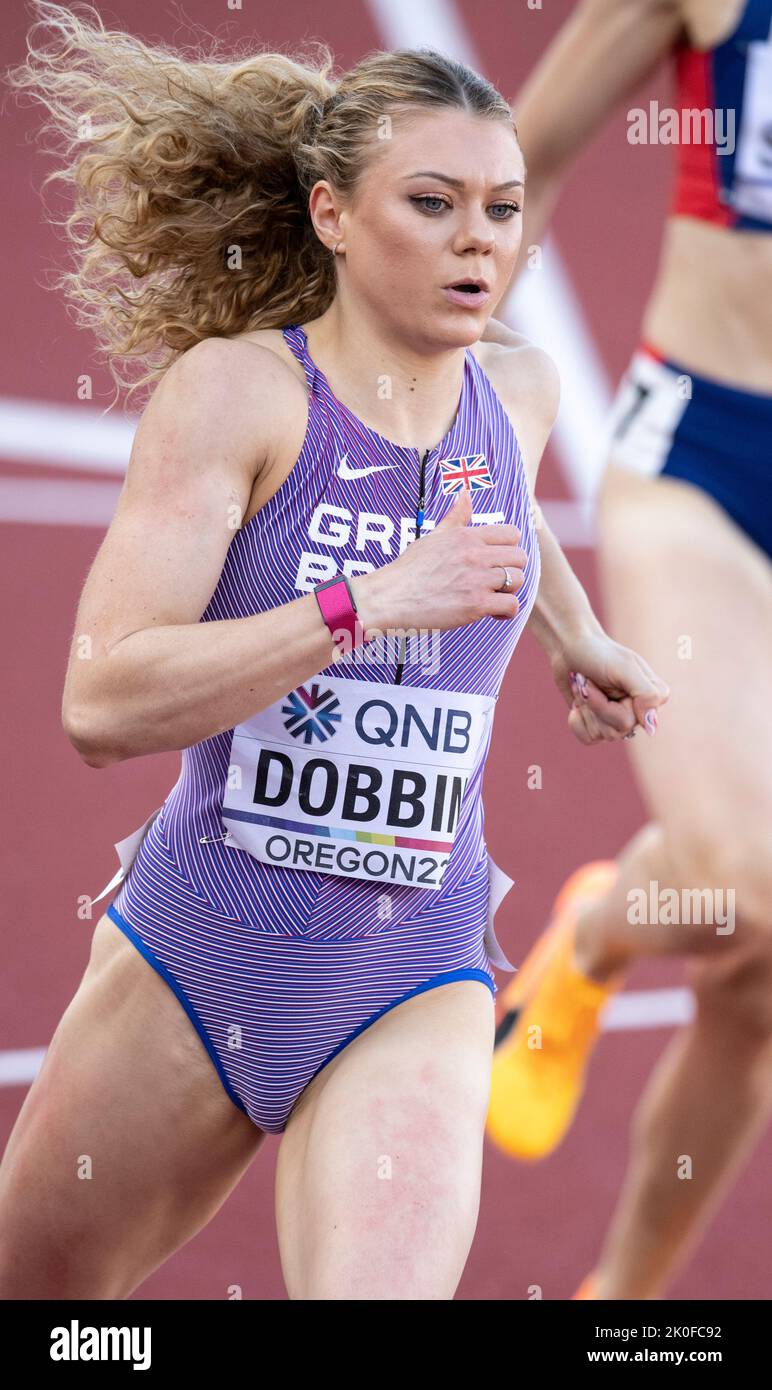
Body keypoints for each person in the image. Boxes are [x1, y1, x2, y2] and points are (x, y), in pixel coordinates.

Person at [0, 3, 666, 1299]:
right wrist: (368, 601)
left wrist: (572, 630)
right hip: (203, 947)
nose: (478, 241)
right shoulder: (238, 396)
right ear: (332, 215)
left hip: (412, 963)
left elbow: (499, 501)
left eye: (502, 208)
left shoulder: (513, 392)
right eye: (433, 203)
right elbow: (100, 696)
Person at [484, 0, 772, 1301]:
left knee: (758, 975)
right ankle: (601, 929)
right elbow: (518, 166)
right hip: (707, 453)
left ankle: (619, 1308)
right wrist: (467, 411)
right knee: (743, 876)